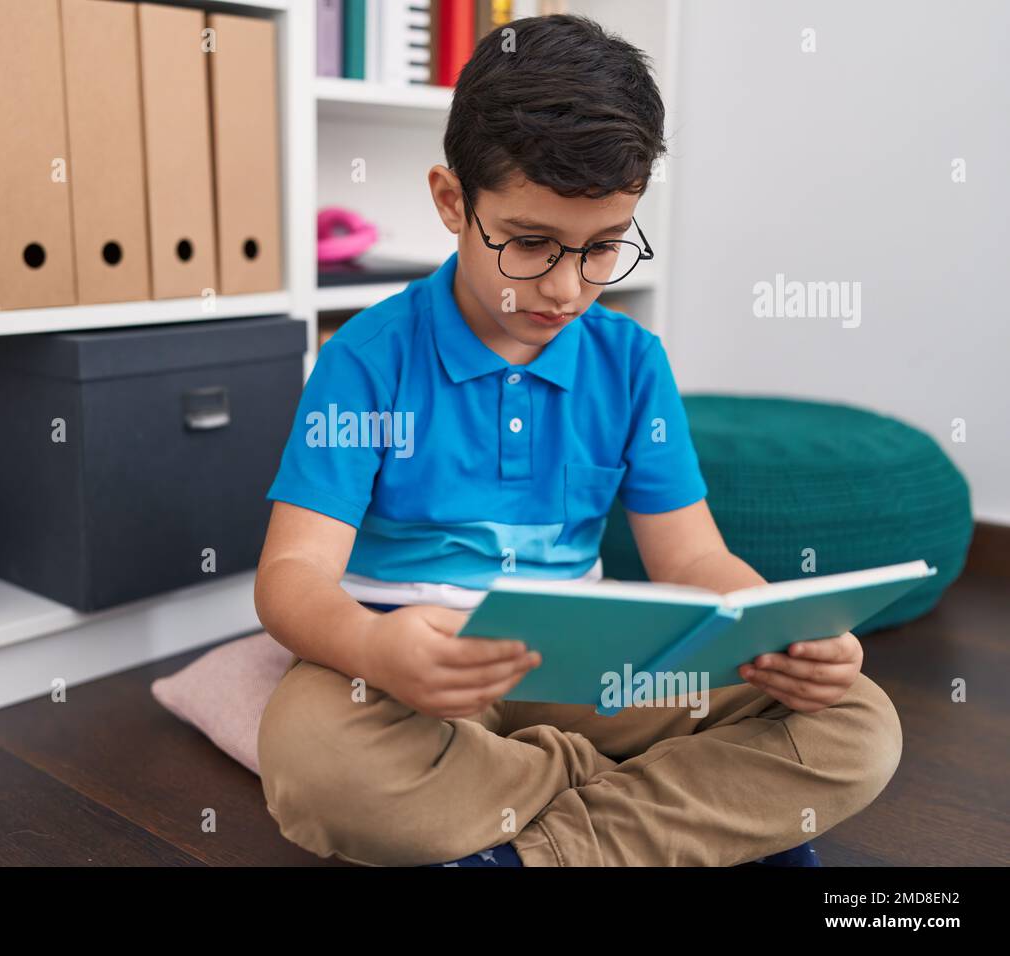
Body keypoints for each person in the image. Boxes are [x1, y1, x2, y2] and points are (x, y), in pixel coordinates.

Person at [253, 14, 901, 867]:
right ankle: (657, 809)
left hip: (597, 673)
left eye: (602, 249)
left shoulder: (632, 362)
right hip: (420, 679)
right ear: (453, 202)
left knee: (858, 721)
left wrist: (774, 633)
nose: (567, 288)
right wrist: (375, 647)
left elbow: (694, 562)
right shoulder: (364, 361)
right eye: (530, 244)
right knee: (314, 751)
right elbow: (291, 578)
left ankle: (531, 847)